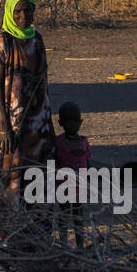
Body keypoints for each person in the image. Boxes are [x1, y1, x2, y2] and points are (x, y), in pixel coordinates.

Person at [0, 0, 55, 241]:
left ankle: (33, 231)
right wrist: (3, 126)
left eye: (28, 10)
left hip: (35, 120)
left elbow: (42, 81)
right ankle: (0, 232)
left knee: (35, 172)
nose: (23, 16)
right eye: (18, 11)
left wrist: (46, 123)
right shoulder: (3, 40)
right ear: (10, 13)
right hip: (6, 118)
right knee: (5, 170)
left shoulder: (37, 39)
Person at [53, 101, 90, 247]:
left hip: (80, 187)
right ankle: (64, 244)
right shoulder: (58, 142)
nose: (73, 125)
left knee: (78, 217)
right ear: (61, 123)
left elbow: (88, 163)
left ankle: (80, 246)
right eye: (69, 122)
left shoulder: (84, 142)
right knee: (64, 216)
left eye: (75, 121)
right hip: (62, 187)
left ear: (80, 122)